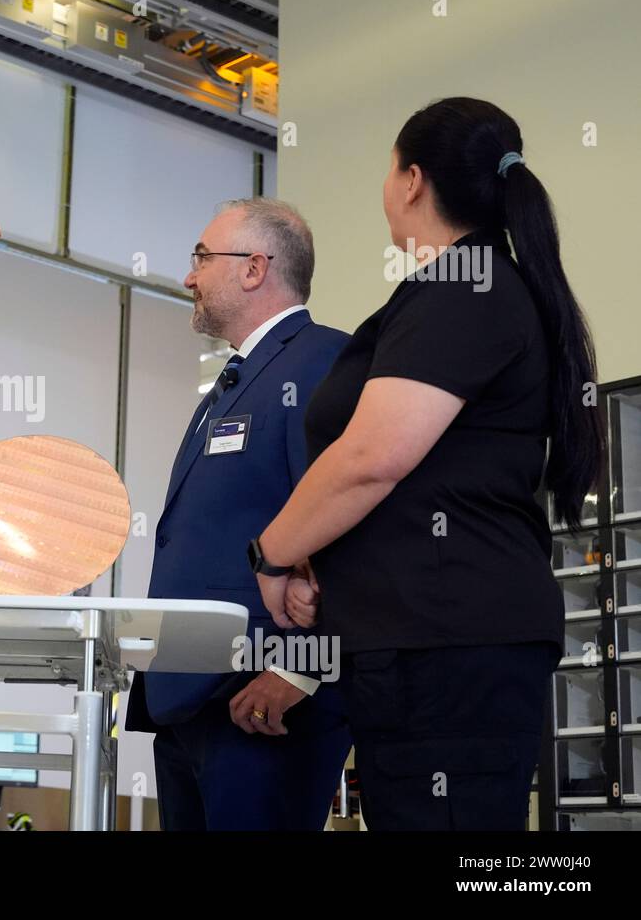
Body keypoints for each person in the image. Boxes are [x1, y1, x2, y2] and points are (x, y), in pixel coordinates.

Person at [251, 96, 603, 830]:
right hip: (428, 642)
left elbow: (374, 456)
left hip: (450, 646)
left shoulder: (464, 286)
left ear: (411, 181)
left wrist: (275, 554)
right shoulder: (462, 288)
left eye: (387, 172)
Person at [125, 198, 351, 829]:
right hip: (189, 703)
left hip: (263, 700)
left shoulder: (320, 362)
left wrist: (303, 667)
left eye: (201, 257)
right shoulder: (232, 381)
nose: (190, 276)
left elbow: (346, 521)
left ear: (254, 268)